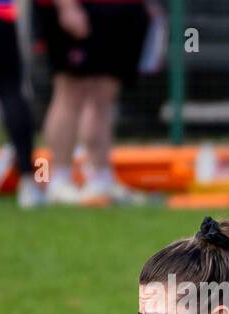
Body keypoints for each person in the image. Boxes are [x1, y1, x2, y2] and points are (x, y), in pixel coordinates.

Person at [33, 0, 150, 204]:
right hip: (80, 8)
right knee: (70, 91)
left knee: (104, 95)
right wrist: (66, 7)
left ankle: (101, 178)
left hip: (121, 9)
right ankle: (58, 180)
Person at [0, 0, 45, 206]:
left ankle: (28, 179)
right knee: (10, 91)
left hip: (0, 12)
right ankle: (27, 180)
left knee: (10, 93)